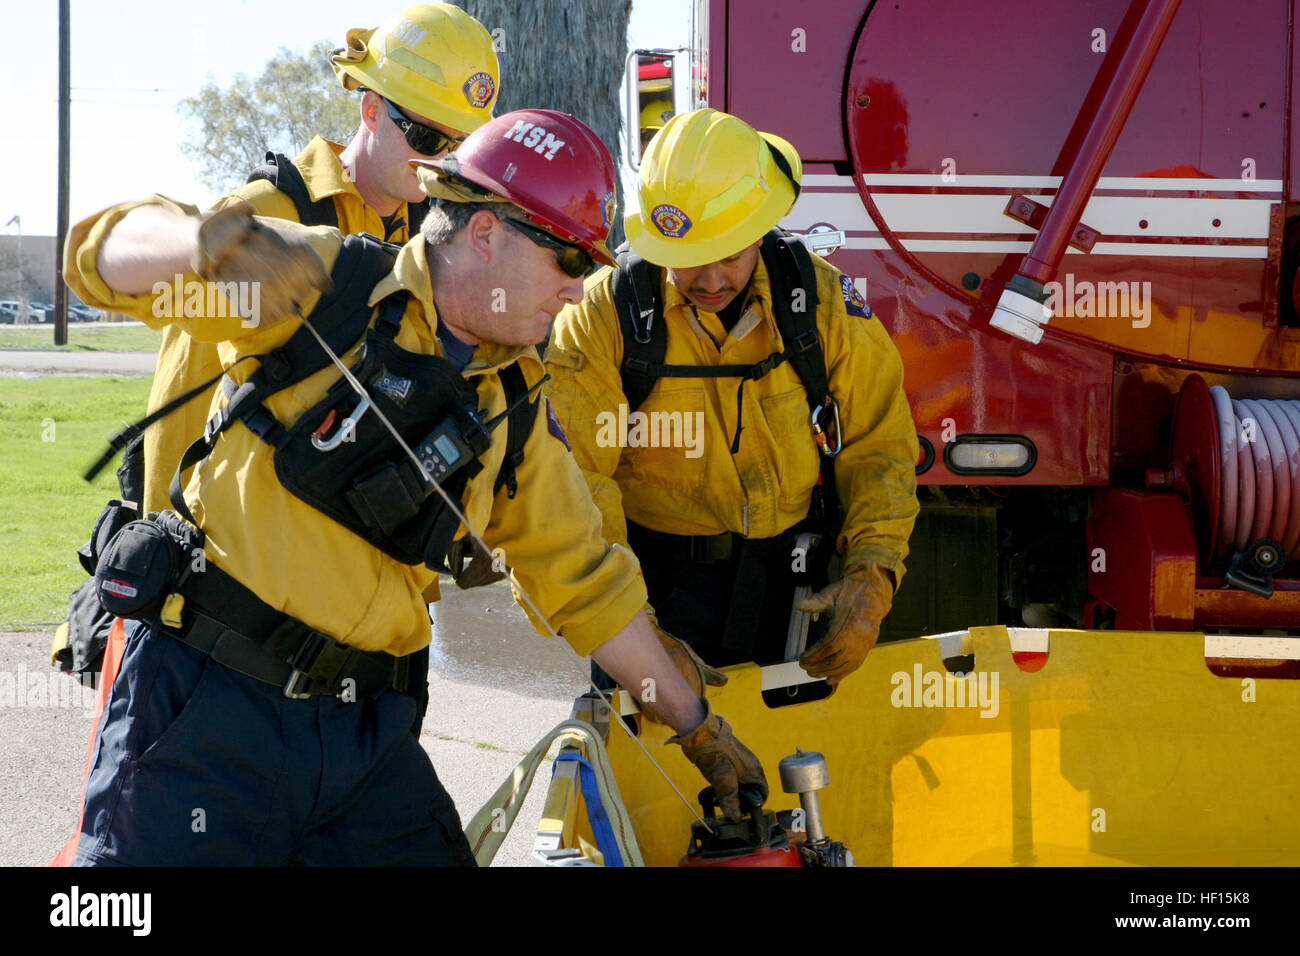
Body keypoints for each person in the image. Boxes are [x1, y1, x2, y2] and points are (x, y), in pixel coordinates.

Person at [60, 108, 766, 866]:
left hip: (370, 740)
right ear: (487, 233)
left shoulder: (514, 408)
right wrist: (202, 244)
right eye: (569, 260)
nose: (579, 290)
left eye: (592, 266)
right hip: (206, 713)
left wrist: (698, 728)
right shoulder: (326, 285)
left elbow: (588, 586)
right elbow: (104, 259)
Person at [52, 2, 501, 693]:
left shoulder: (437, 244)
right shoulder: (271, 216)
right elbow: (183, 389)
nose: (439, 161)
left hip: (376, 618)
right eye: (425, 133)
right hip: (229, 611)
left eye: (459, 147)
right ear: (372, 109)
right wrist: (156, 563)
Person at [546, 108, 920, 687]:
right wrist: (631, 628)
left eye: (731, 253)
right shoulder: (601, 317)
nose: (712, 279)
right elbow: (574, 485)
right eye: (690, 257)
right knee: (653, 765)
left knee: (794, 764)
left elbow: (879, 445)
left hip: (792, 581)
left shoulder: (819, 303)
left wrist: (871, 576)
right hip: (650, 581)